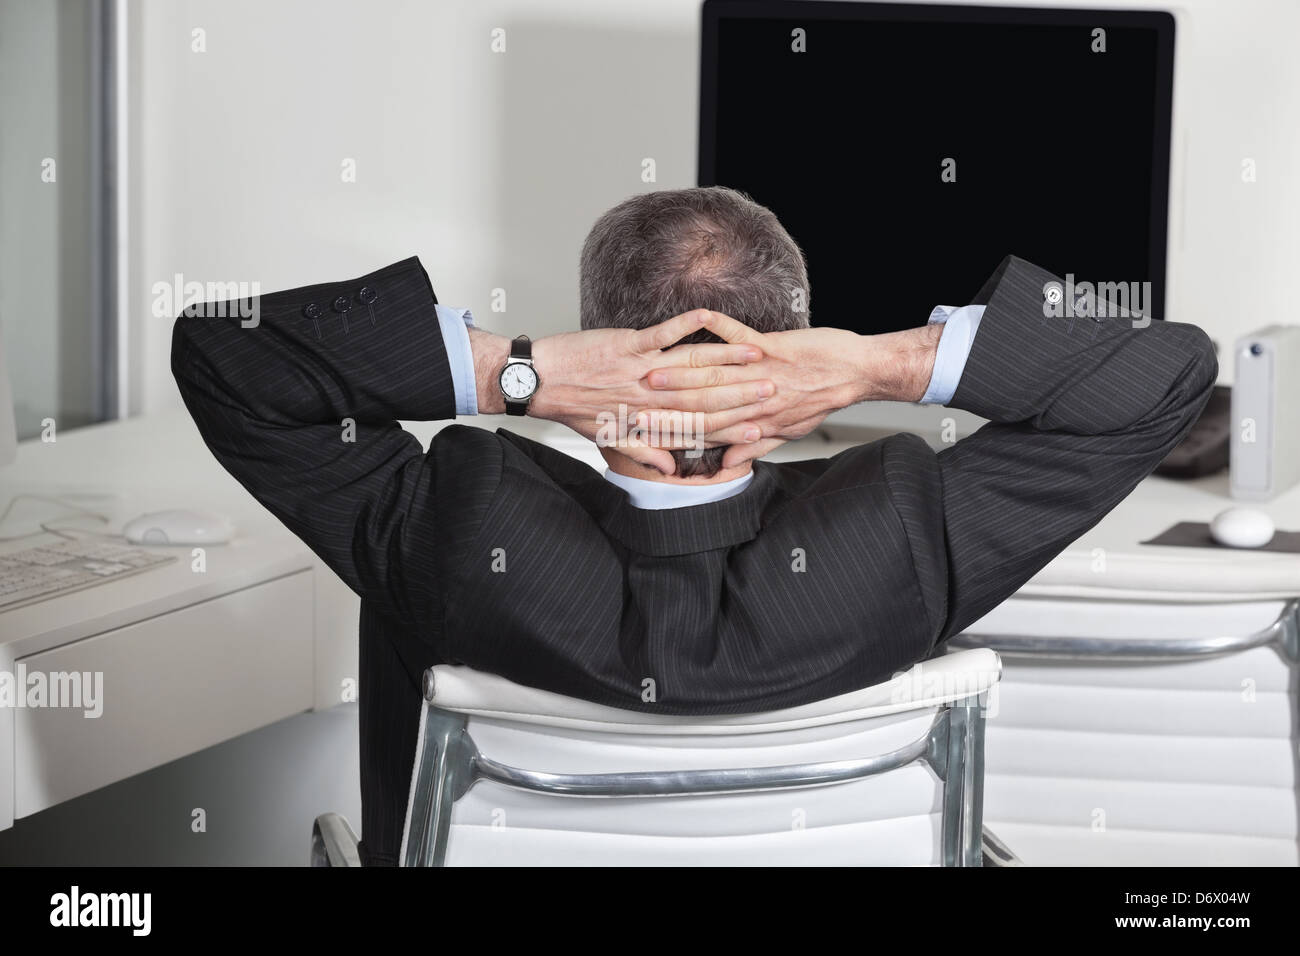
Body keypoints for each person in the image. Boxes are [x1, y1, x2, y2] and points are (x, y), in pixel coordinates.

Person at [172, 186, 1217, 865]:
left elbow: (226, 355)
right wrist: (882, 363)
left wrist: (517, 371)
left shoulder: (462, 527)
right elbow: (1167, 370)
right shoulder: (901, 535)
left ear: (598, 342)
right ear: (794, 352)